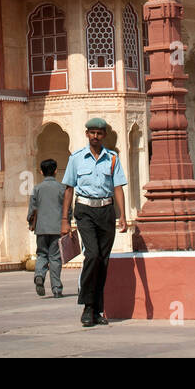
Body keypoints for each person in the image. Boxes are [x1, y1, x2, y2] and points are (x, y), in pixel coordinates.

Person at [61, 117, 127, 327]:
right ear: (87, 134)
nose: (95, 136)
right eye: (92, 133)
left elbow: (118, 187)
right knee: (93, 255)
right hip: (84, 210)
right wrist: (65, 219)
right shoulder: (77, 158)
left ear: (104, 135)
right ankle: (87, 306)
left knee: (103, 261)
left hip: (106, 210)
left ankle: (97, 309)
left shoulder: (113, 158)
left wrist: (123, 215)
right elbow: (69, 188)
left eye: (99, 133)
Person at [28, 158, 66, 298]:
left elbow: (32, 209)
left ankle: (39, 275)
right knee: (55, 258)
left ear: (41, 171)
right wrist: (67, 221)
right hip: (57, 227)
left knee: (42, 254)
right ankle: (56, 288)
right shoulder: (62, 188)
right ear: (56, 171)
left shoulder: (37, 189)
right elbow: (67, 208)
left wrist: (30, 223)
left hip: (41, 228)